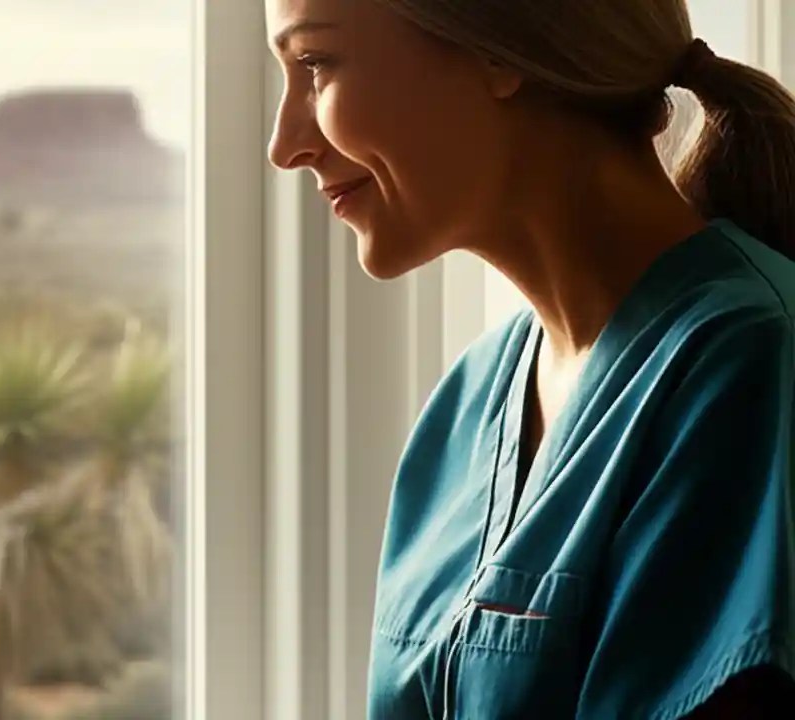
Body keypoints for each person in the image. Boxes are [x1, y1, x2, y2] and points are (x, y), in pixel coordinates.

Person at [266, 0, 795, 718]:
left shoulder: (748, 362)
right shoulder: (464, 405)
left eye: (316, 64)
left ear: (497, 53)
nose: (286, 143)